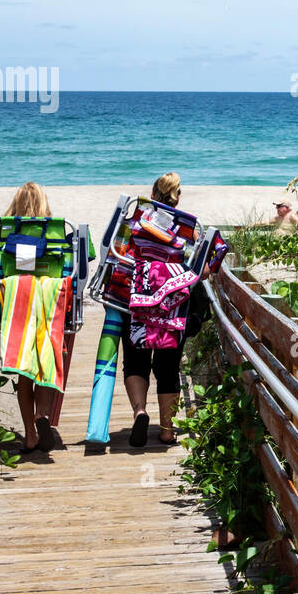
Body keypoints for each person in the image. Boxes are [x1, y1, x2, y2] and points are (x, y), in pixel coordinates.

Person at [125, 172, 209, 447]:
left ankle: (139, 410)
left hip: (137, 298)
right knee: (168, 367)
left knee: (135, 362)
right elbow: (203, 269)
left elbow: (119, 253)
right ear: (178, 195)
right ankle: (166, 430)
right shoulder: (186, 227)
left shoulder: (137, 221)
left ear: (153, 193)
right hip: (172, 305)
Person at [0, 182, 57, 454]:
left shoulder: (5, 231)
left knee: (25, 374)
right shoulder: (56, 230)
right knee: (44, 364)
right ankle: (42, 413)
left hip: (18, 306)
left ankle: (30, 435)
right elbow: (84, 258)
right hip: (48, 303)